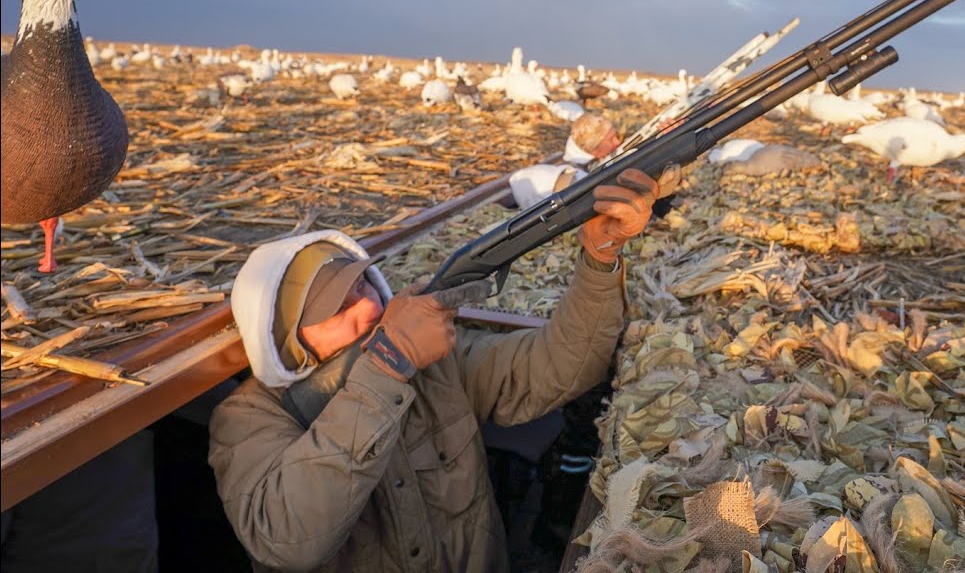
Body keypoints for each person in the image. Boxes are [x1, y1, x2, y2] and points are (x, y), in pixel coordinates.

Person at [207, 167, 670, 572]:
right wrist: (388, 366)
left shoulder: (433, 361)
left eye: (363, 286)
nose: (367, 310)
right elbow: (288, 540)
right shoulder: (247, 419)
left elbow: (560, 369)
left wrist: (598, 258)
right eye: (336, 308)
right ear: (288, 341)